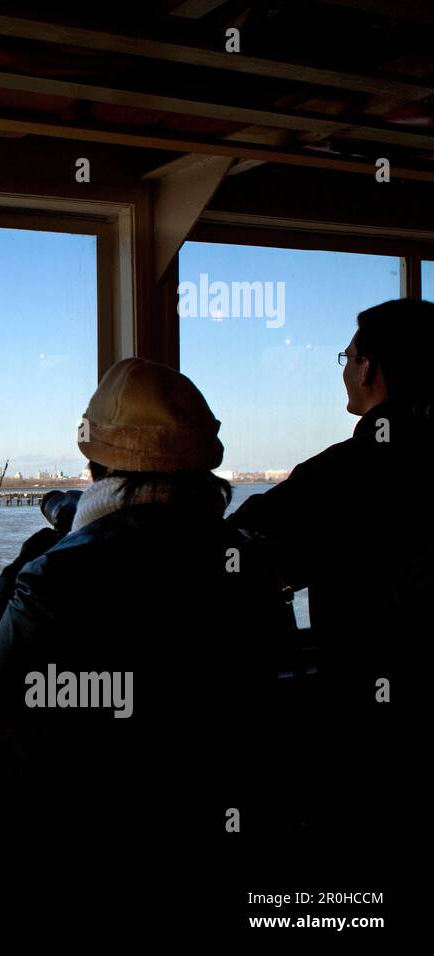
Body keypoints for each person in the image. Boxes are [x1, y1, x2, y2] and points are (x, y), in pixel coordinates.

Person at [0, 359, 295, 856]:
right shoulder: (246, 558)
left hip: (90, 828)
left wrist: (27, 562)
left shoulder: (58, 574)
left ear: (98, 470)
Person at [228, 298, 431, 842]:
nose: (344, 368)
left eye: (347, 356)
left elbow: (234, 552)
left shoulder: (342, 474)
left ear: (369, 368)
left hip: (377, 741)